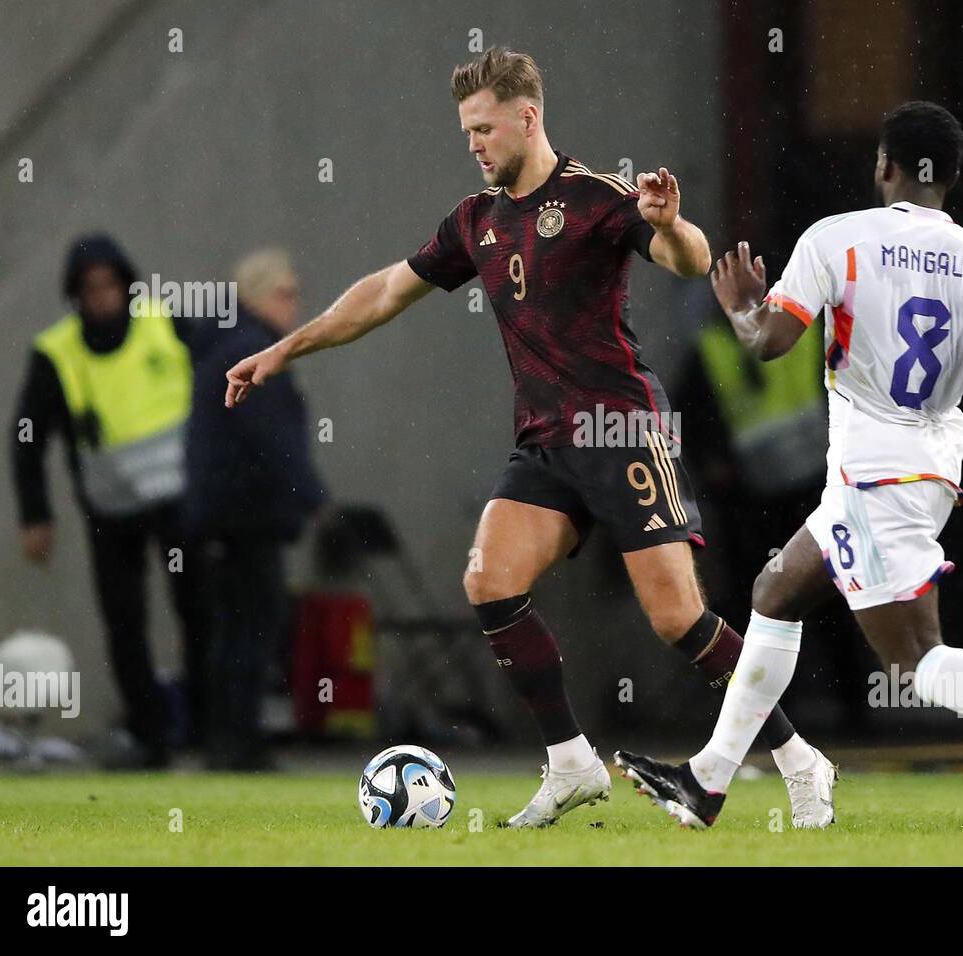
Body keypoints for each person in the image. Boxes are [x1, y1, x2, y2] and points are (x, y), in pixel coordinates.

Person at [223, 47, 837, 827]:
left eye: (483, 128)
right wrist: (283, 348)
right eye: (465, 132)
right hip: (544, 444)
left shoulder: (594, 198)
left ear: (527, 117)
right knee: (489, 579)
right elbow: (384, 291)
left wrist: (670, 221)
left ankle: (798, 759)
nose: (474, 144)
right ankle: (571, 762)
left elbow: (688, 260)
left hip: (621, 431)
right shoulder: (476, 221)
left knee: (677, 617)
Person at [615, 102, 963, 832]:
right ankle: (708, 780)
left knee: (920, 662)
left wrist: (738, 307)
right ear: (950, 177)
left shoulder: (840, 238)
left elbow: (768, 342)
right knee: (775, 591)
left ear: (885, 166)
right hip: (926, 470)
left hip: (872, 474)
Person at [10, 233, 209, 768]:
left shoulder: (163, 324)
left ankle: (209, 728)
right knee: (125, 623)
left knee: (199, 610)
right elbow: (27, 435)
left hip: (179, 503)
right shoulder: (57, 352)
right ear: (75, 295)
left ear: (126, 284)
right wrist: (36, 515)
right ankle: (150, 737)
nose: (102, 298)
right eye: (90, 289)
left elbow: (219, 388)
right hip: (110, 511)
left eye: (109, 285)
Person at [184, 248, 327, 770]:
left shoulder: (228, 344)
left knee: (235, 629)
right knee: (252, 627)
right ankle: (237, 744)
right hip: (245, 518)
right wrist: (314, 498)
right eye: (287, 293)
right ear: (259, 295)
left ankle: (228, 740)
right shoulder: (252, 350)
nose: (295, 304)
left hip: (227, 516)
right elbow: (273, 439)